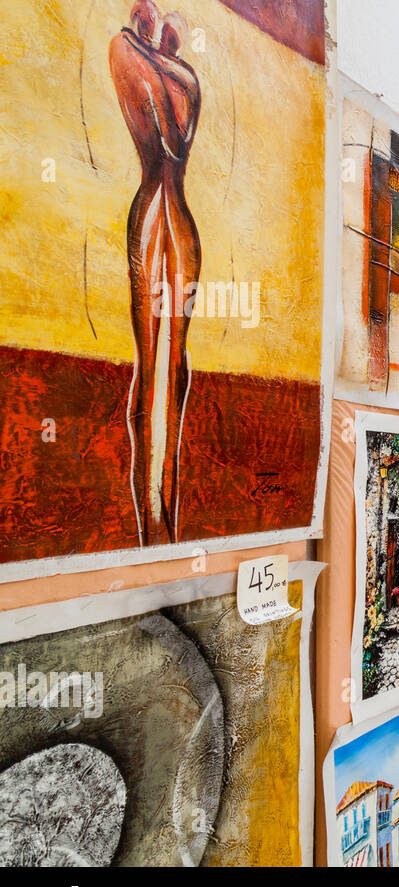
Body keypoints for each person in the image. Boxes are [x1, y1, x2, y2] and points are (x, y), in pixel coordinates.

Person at [110, 0, 202, 546]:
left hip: (182, 219)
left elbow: (179, 137)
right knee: (149, 363)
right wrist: (156, 60)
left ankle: (168, 497)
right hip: (151, 209)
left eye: (168, 27)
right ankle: (147, 511)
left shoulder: (178, 73)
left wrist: (160, 63)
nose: (158, 26)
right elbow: (165, 136)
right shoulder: (124, 48)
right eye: (148, 18)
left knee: (179, 363)